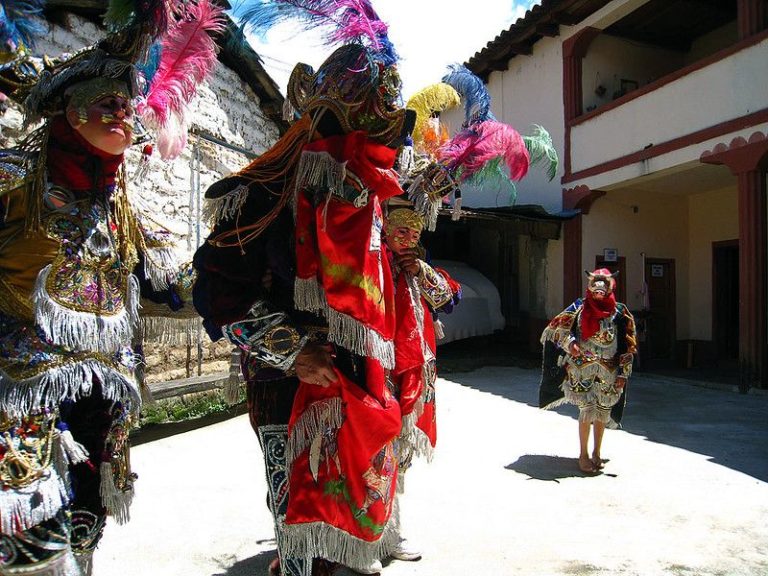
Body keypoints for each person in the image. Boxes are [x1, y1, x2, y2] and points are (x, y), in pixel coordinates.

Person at [193, 11, 418, 572]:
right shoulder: (261, 194)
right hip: (284, 384)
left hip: (361, 379)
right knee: (295, 512)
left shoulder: (365, 204)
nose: (364, 159)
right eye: (352, 138)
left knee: (359, 508)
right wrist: (293, 352)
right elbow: (218, 292)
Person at [0, 6, 209, 572]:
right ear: (67, 112)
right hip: (24, 399)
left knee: (85, 534)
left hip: (103, 402)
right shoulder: (16, 182)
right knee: (32, 546)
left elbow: (165, 284)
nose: (123, 115)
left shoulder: (120, 206)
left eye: (127, 105)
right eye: (107, 104)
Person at [381, 207, 460, 562]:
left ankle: (392, 532)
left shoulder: (420, 272)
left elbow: (446, 297)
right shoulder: (373, 264)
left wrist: (421, 271)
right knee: (369, 454)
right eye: (401, 233)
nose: (408, 241)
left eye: (414, 236)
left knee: (400, 457)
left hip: (412, 376)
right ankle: (366, 535)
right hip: (375, 370)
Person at [539, 268, 637, 474]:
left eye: (604, 285)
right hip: (581, 369)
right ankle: (583, 455)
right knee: (587, 410)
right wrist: (570, 343)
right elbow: (557, 328)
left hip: (609, 371)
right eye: (595, 285)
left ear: (611, 286)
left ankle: (597, 452)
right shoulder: (579, 308)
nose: (599, 289)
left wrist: (623, 373)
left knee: (602, 411)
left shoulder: (620, 312)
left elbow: (629, 345)